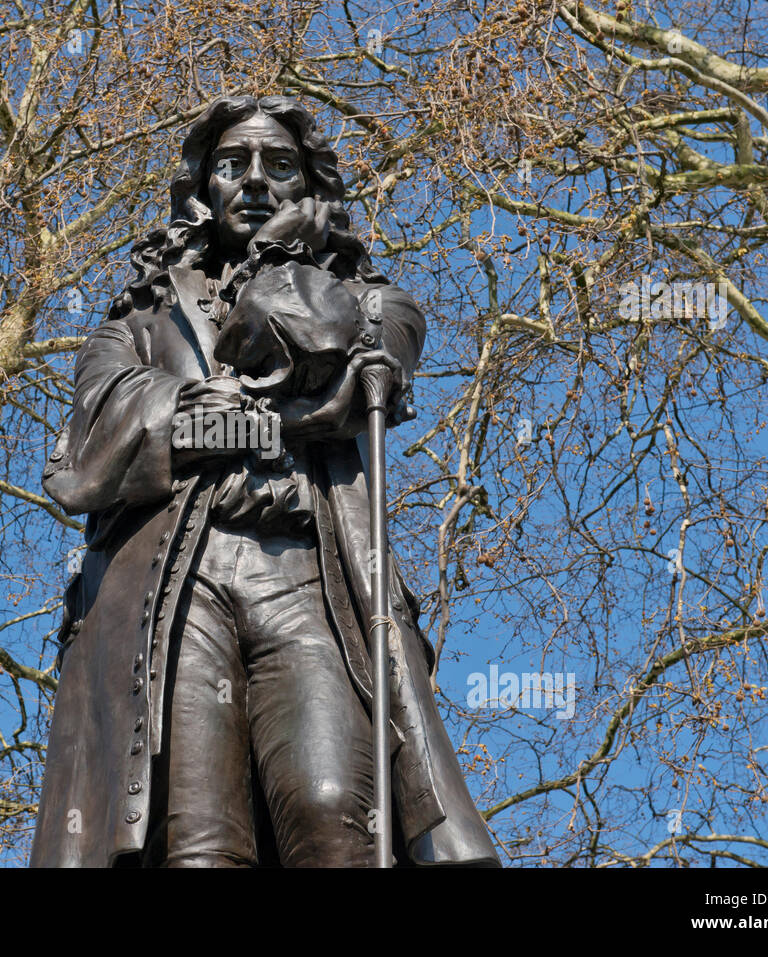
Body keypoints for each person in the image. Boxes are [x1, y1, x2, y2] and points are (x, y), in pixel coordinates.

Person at [30, 94, 499, 867]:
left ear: (312, 192)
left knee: (333, 813)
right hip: (175, 587)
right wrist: (208, 407)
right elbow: (88, 445)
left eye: (279, 166)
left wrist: (277, 264)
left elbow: (339, 366)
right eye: (232, 164)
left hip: (314, 579)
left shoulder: (377, 304)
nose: (254, 182)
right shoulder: (134, 328)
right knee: (197, 839)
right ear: (200, 189)